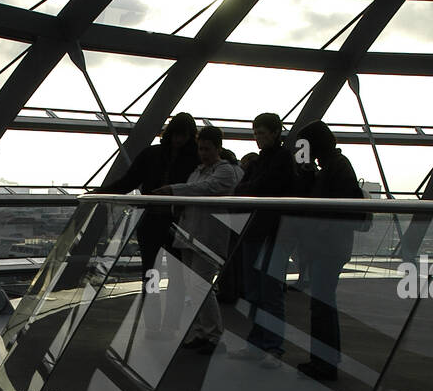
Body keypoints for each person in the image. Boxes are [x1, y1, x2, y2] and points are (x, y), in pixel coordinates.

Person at [153, 125, 243, 353]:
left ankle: (212, 335)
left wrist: (172, 190)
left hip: (207, 238)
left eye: (207, 149)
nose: (203, 153)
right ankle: (204, 332)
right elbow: (197, 189)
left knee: (200, 286)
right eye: (200, 149)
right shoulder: (200, 171)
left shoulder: (223, 172)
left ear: (217, 148)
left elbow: (202, 189)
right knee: (195, 287)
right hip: (191, 235)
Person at [94, 112, 199, 286]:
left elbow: (129, 181)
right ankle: (173, 310)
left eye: (182, 135)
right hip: (179, 223)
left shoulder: (152, 154)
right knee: (176, 274)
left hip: (152, 218)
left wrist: (101, 192)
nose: (178, 140)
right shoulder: (195, 159)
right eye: (177, 135)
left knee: (150, 271)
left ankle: (150, 307)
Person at [228, 113, 299, 368]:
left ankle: (270, 347)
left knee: (266, 291)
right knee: (260, 291)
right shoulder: (273, 161)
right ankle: (263, 345)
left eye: (262, 133)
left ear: (275, 133)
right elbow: (250, 189)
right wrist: (254, 188)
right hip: (263, 232)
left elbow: (249, 189)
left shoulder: (275, 161)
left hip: (266, 232)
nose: (258, 138)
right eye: (256, 133)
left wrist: (252, 188)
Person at [294, 121, 364, 381]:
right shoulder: (336, 166)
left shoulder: (333, 169)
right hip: (331, 247)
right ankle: (325, 359)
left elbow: (324, 207)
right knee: (323, 302)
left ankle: (324, 361)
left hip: (327, 248)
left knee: (322, 303)